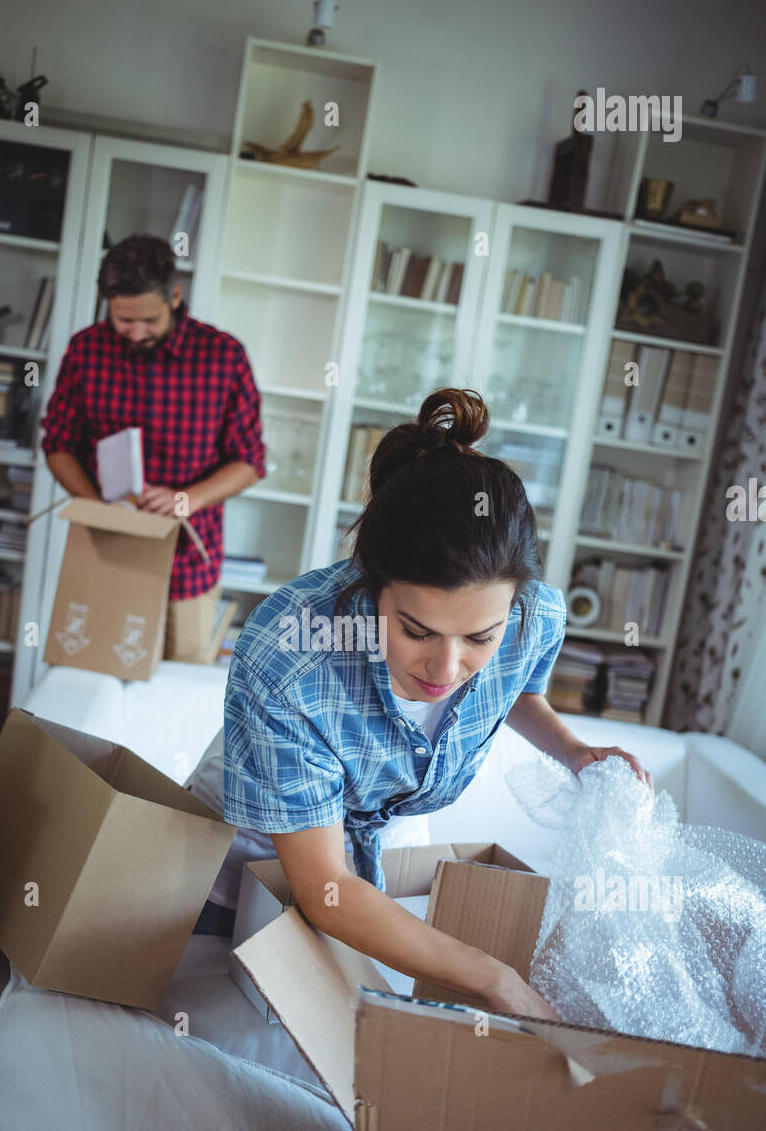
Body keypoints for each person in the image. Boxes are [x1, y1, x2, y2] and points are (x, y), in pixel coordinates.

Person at [188, 387, 652, 1018]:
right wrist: (498, 980)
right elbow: (326, 888)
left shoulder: (535, 617)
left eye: (479, 638)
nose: (446, 669)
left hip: (384, 839)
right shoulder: (289, 654)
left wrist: (572, 750)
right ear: (370, 585)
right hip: (258, 853)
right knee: (244, 1010)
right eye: (416, 631)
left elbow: (514, 688)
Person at [40, 233, 265, 662]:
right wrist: (99, 507)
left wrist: (187, 499)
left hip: (188, 561)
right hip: (106, 552)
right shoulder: (86, 349)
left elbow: (250, 460)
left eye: (148, 320)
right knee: (95, 674)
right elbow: (58, 445)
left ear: (175, 296)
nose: (136, 332)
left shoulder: (223, 355)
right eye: (123, 320)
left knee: (175, 694)